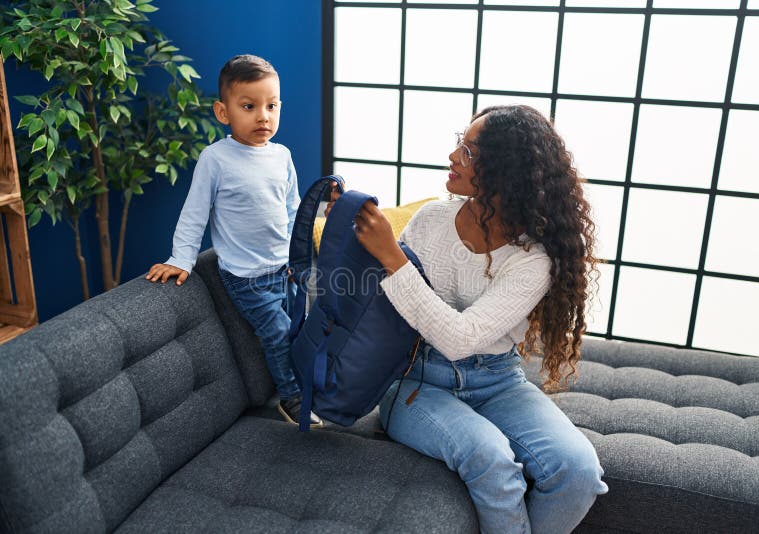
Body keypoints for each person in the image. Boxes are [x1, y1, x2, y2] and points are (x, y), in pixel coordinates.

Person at [353, 104, 609, 533]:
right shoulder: (430, 219)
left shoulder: (533, 258)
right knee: (491, 459)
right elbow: (382, 300)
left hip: (497, 381)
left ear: (507, 173)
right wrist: (354, 230)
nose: (454, 156)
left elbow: (460, 337)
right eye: (460, 143)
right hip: (415, 380)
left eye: (470, 152)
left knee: (578, 472)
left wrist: (392, 257)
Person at [146, 54, 336, 428]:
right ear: (223, 112)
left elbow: (293, 210)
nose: (263, 116)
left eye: (271, 106)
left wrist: (304, 247)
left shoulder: (282, 156)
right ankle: (290, 397)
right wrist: (181, 259)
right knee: (277, 332)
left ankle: (312, 383)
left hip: (286, 269)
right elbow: (194, 213)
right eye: (249, 107)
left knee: (299, 327)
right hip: (247, 278)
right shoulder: (215, 159)